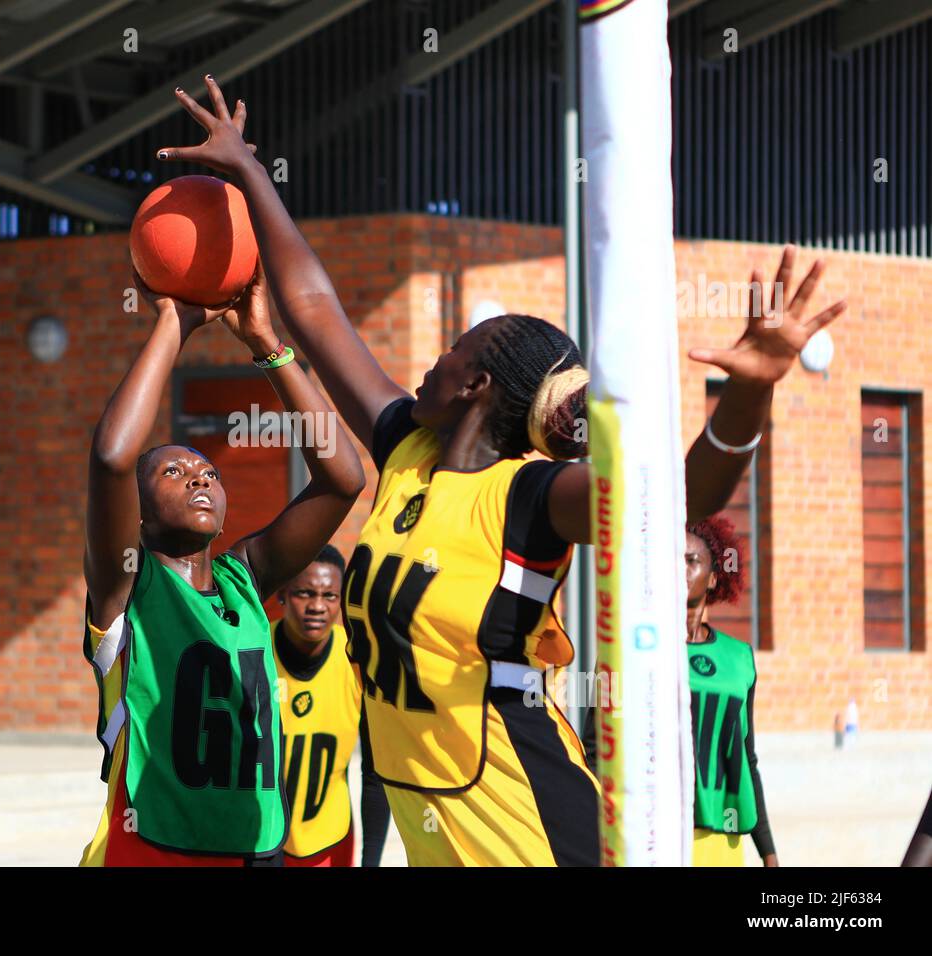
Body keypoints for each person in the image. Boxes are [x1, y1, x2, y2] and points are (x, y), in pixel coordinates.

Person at [155, 74, 847, 866]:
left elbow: (674, 501)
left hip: (521, 811)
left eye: (453, 349)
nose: (433, 359)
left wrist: (748, 392)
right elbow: (315, 309)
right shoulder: (406, 452)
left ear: (478, 385)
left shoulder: (530, 498)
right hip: (427, 811)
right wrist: (247, 170)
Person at [78, 264, 365, 867]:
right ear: (141, 510)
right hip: (152, 846)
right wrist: (173, 323)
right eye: (174, 472)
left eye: (209, 472)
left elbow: (343, 479)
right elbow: (111, 457)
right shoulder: (127, 583)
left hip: (257, 850)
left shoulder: (246, 579)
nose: (200, 479)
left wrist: (267, 343)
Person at [587, 516, 778, 866]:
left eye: (691, 561)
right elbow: (595, 748)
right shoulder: (626, 648)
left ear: (714, 577)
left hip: (722, 839)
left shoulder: (739, 659)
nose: (680, 570)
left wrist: (768, 852)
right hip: (649, 835)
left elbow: (745, 757)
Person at [273, 545, 391, 866]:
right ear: (282, 593)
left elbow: (375, 772)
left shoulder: (357, 660)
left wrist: (371, 861)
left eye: (330, 596)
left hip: (329, 842)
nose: (317, 606)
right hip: (261, 841)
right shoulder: (254, 651)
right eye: (305, 593)